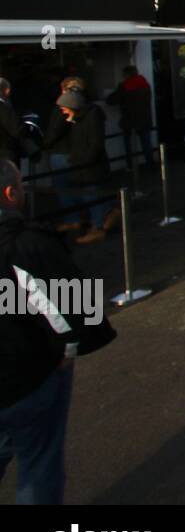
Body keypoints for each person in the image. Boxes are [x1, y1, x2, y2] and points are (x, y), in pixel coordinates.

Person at [0, 160, 116, 504]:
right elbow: (77, 311)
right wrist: (67, 350)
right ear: (11, 194)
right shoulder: (27, 243)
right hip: (29, 376)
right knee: (39, 467)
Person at [44, 90, 114, 244]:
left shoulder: (90, 117)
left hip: (89, 166)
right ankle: (103, 219)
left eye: (64, 108)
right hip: (83, 164)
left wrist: (81, 161)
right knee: (89, 195)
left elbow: (94, 144)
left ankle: (99, 226)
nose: (62, 111)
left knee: (92, 195)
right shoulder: (77, 118)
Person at [106, 65, 154, 169]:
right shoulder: (144, 83)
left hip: (129, 119)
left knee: (129, 145)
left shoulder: (124, 86)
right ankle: (150, 164)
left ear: (125, 74)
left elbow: (111, 100)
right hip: (144, 118)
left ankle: (130, 166)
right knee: (146, 144)